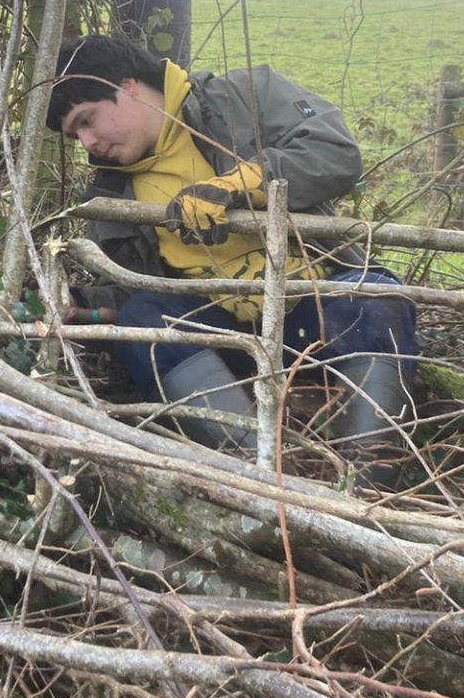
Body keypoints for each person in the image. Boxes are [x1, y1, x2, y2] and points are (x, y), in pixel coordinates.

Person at [45, 34, 417, 483]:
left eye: (87, 120)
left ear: (128, 86)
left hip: (316, 309)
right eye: (75, 136)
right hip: (221, 339)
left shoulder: (244, 97)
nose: (88, 143)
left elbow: (336, 151)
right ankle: (259, 479)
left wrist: (244, 184)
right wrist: (82, 305)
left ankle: (367, 483)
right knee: (142, 321)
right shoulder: (108, 196)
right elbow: (137, 293)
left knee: (376, 297)